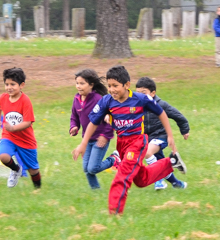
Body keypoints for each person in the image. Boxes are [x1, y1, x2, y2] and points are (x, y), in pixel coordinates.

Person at [72, 65, 187, 215]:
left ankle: (115, 212)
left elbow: (161, 113)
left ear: (126, 85)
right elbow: (93, 123)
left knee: (123, 175)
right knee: (141, 180)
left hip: (137, 142)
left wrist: (170, 136)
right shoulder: (107, 101)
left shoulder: (140, 99)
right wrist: (83, 144)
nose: (112, 90)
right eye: (109, 86)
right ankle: (171, 162)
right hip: (122, 143)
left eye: (115, 86)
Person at [134, 77, 190, 191]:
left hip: (161, 136)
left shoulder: (161, 104)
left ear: (153, 93)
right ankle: (177, 183)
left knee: (147, 152)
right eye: (137, 93)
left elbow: (177, 115)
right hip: (147, 139)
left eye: (143, 93)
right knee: (159, 163)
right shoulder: (136, 106)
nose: (140, 96)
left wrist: (184, 130)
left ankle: (158, 181)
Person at [0, 67, 42, 189]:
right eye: (7, 84)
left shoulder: (25, 101)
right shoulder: (3, 98)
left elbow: (28, 122)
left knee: (33, 170)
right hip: (8, 136)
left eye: (13, 84)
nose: (9, 87)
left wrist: (13, 128)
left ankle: (38, 190)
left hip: (26, 140)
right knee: (3, 156)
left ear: (22, 85)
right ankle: (16, 170)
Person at [69, 69, 116, 190]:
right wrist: (74, 127)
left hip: (100, 139)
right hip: (87, 139)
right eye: (77, 83)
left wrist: (105, 135)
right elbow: (74, 116)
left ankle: (114, 160)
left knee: (93, 168)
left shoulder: (98, 99)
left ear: (91, 85)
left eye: (82, 83)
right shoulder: (77, 99)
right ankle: (96, 190)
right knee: (86, 168)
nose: (78, 86)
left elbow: (110, 117)